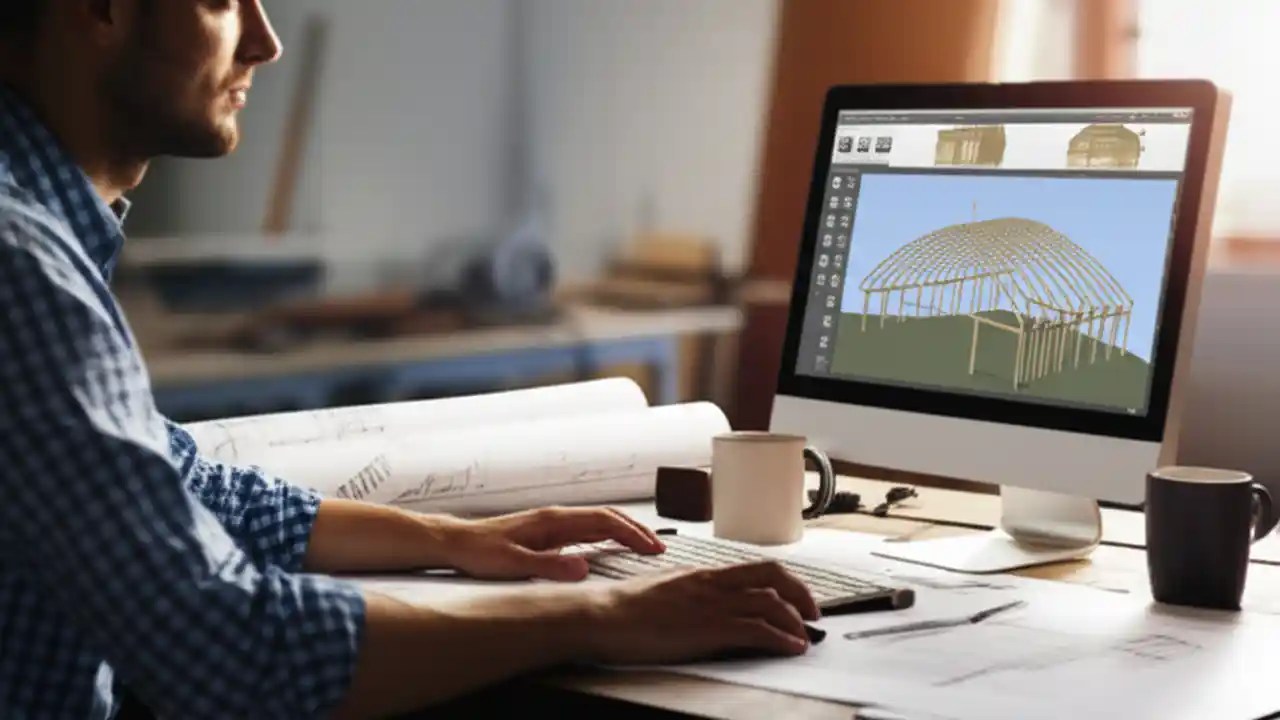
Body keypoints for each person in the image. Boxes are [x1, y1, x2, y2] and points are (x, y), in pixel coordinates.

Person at [0, 1, 818, 718]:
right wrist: (602, 618)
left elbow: (184, 479)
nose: (265, 41)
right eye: (221, 1)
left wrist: (455, 537)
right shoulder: (21, 265)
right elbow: (233, 649)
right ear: (99, 8)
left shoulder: (40, 232)